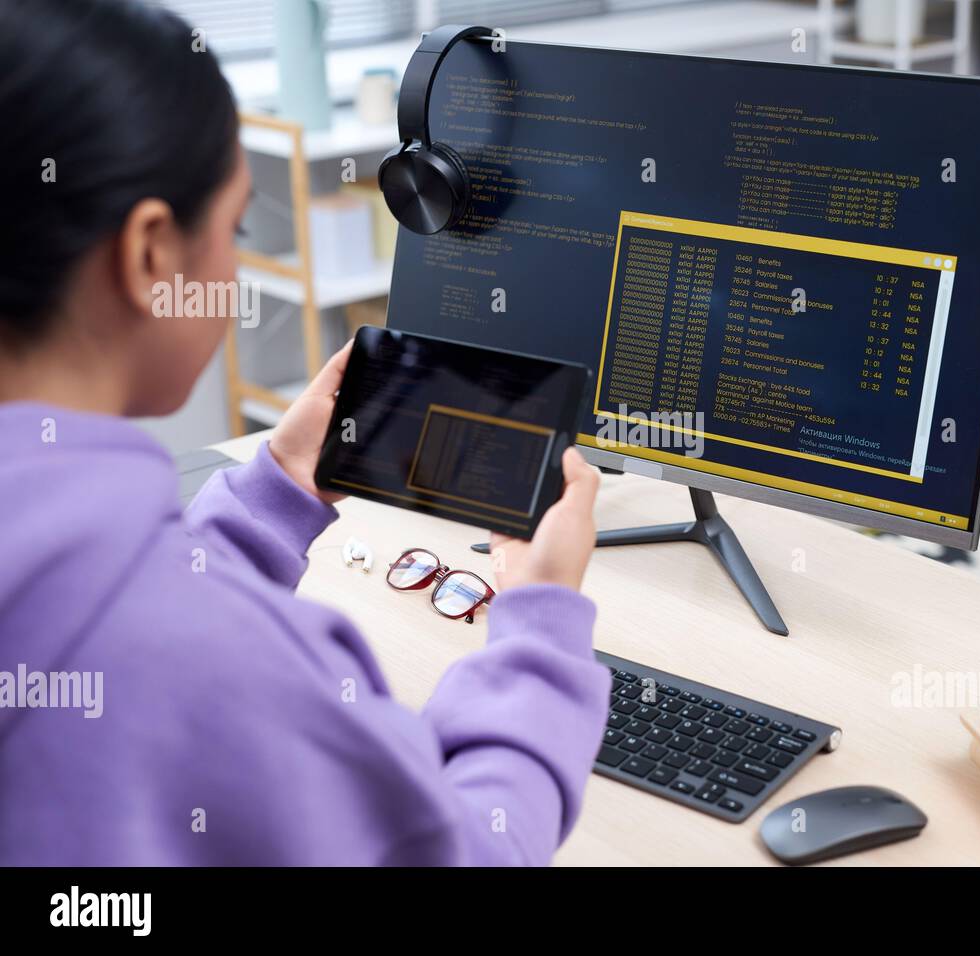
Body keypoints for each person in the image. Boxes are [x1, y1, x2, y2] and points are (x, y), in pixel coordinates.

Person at [0, 0, 610, 865]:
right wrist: (541, 626)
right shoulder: (232, 667)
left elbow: (111, 602)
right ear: (150, 255)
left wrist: (275, 491)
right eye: (236, 227)